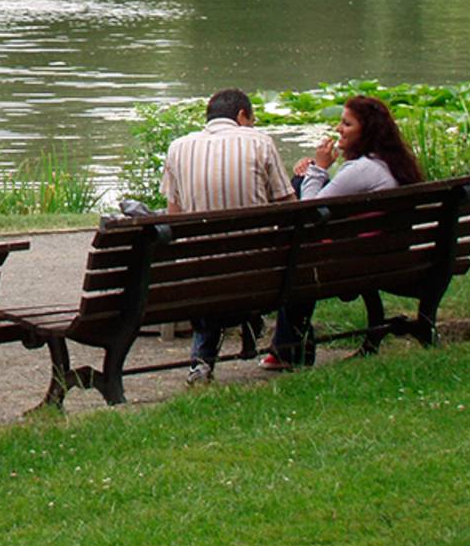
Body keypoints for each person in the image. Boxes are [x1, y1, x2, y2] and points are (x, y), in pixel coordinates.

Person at [261, 94, 425, 370]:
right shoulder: (393, 165)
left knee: (295, 259)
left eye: (346, 124)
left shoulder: (363, 169)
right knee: (300, 189)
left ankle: (288, 350)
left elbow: (310, 211)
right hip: (385, 254)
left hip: (355, 261)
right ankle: (285, 348)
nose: (338, 129)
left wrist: (319, 168)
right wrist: (312, 173)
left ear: (367, 131)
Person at [160, 87, 295, 384]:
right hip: (259, 274)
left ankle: (201, 362)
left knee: (208, 260)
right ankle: (286, 345)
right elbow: (290, 209)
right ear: (242, 116)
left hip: (202, 276)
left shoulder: (178, 147)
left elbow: (174, 217)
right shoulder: (260, 143)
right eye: (252, 119)